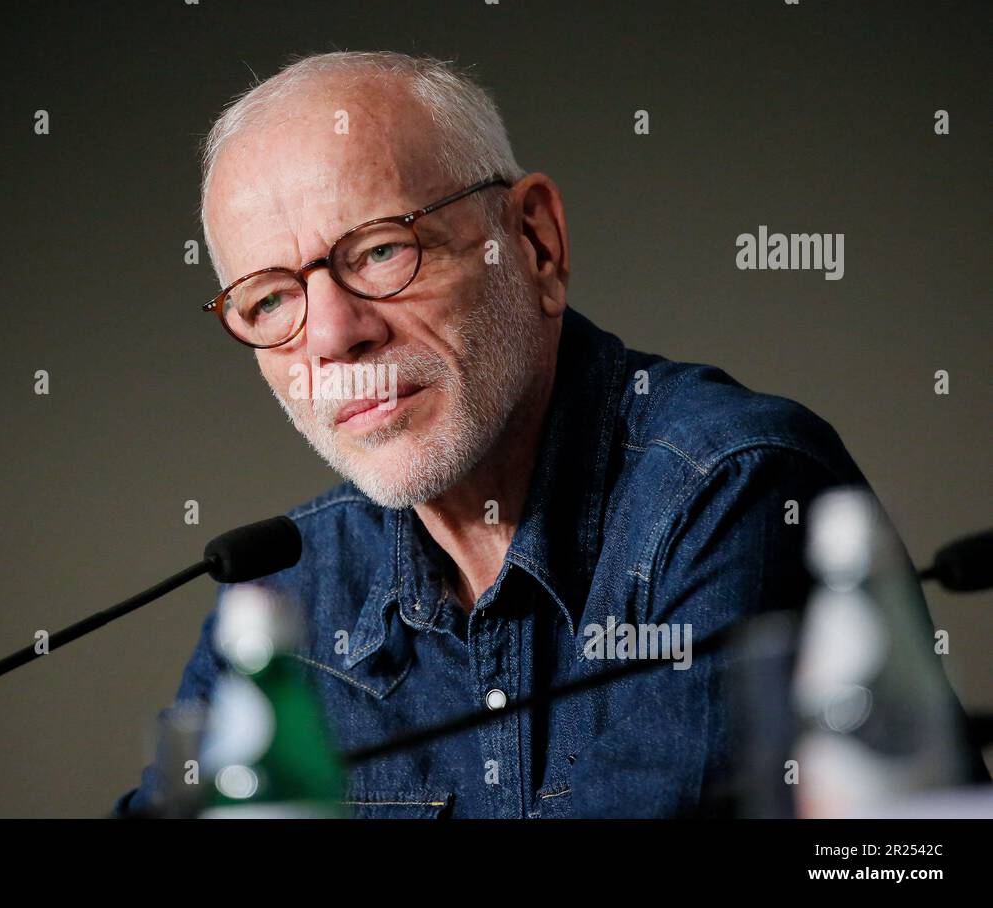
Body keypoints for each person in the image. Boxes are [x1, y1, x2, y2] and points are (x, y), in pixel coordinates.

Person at [115, 50, 925, 817]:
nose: (332, 335)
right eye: (268, 301)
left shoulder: (730, 492)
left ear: (536, 242)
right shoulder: (288, 592)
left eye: (382, 250)